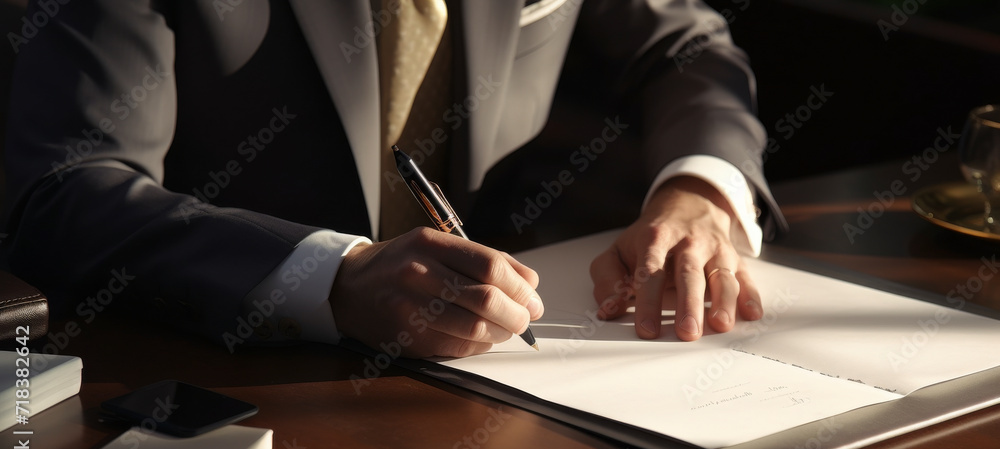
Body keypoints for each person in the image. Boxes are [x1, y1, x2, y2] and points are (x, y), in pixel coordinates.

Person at [1, 0, 786, 357]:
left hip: (491, 386)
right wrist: (330, 276)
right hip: (213, 389)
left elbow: (689, 46)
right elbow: (64, 189)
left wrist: (703, 190)